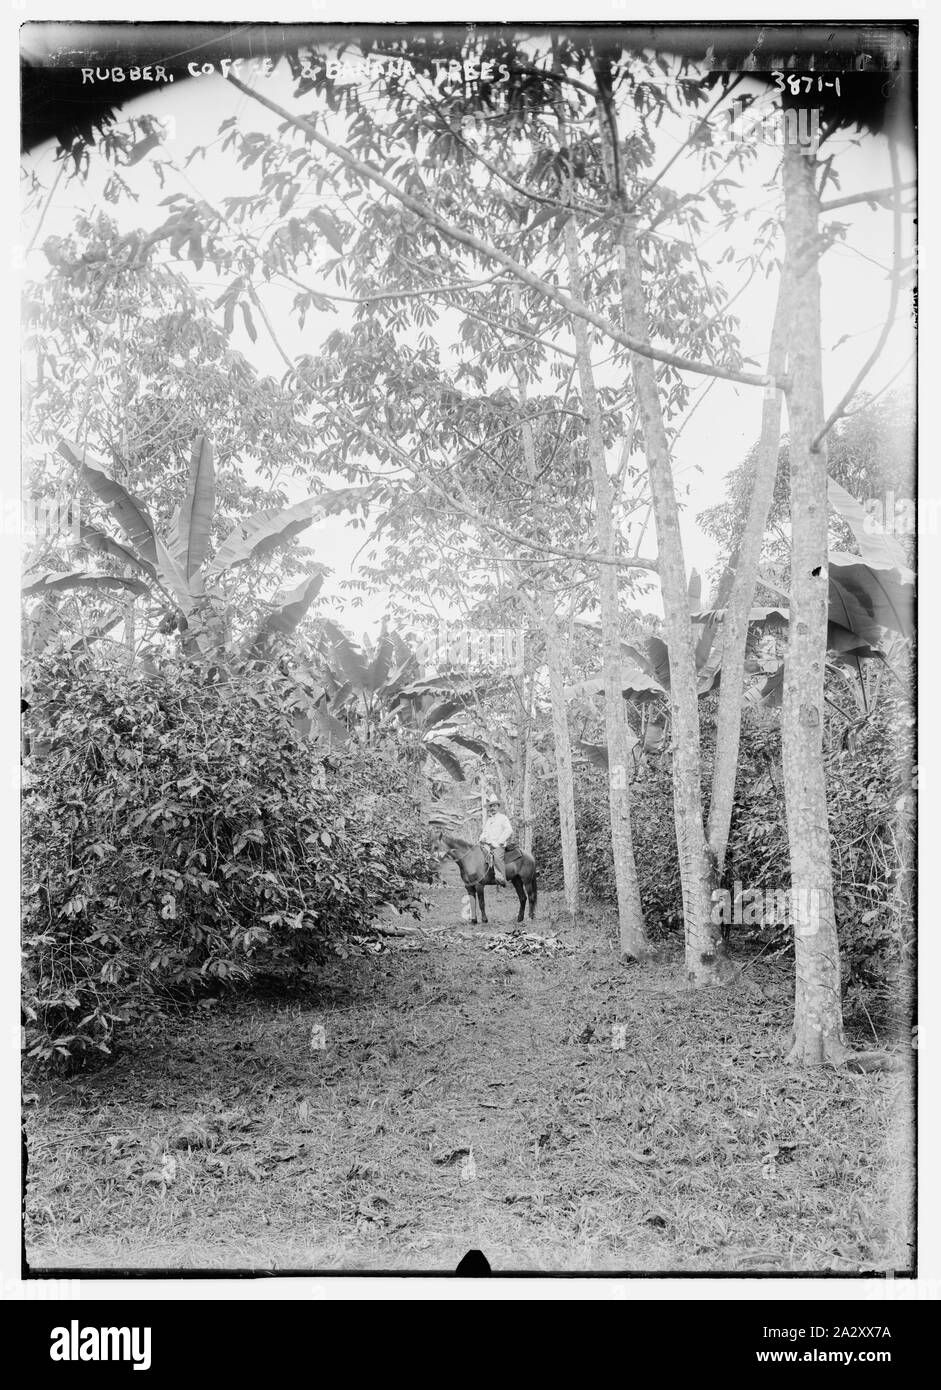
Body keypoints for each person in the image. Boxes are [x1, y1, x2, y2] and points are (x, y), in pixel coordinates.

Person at [480, 794, 512, 886]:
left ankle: (501, 878)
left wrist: (499, 842)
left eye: (494, 805)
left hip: (498, 845)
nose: (492, 808)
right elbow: (485, 832)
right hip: (487, 845)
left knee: (497, 858)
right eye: (491, 806)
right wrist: (482, 838)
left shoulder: (503, 818)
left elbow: (508, 830)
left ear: (498, 806)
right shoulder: (489, 820)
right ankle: (481, 876)